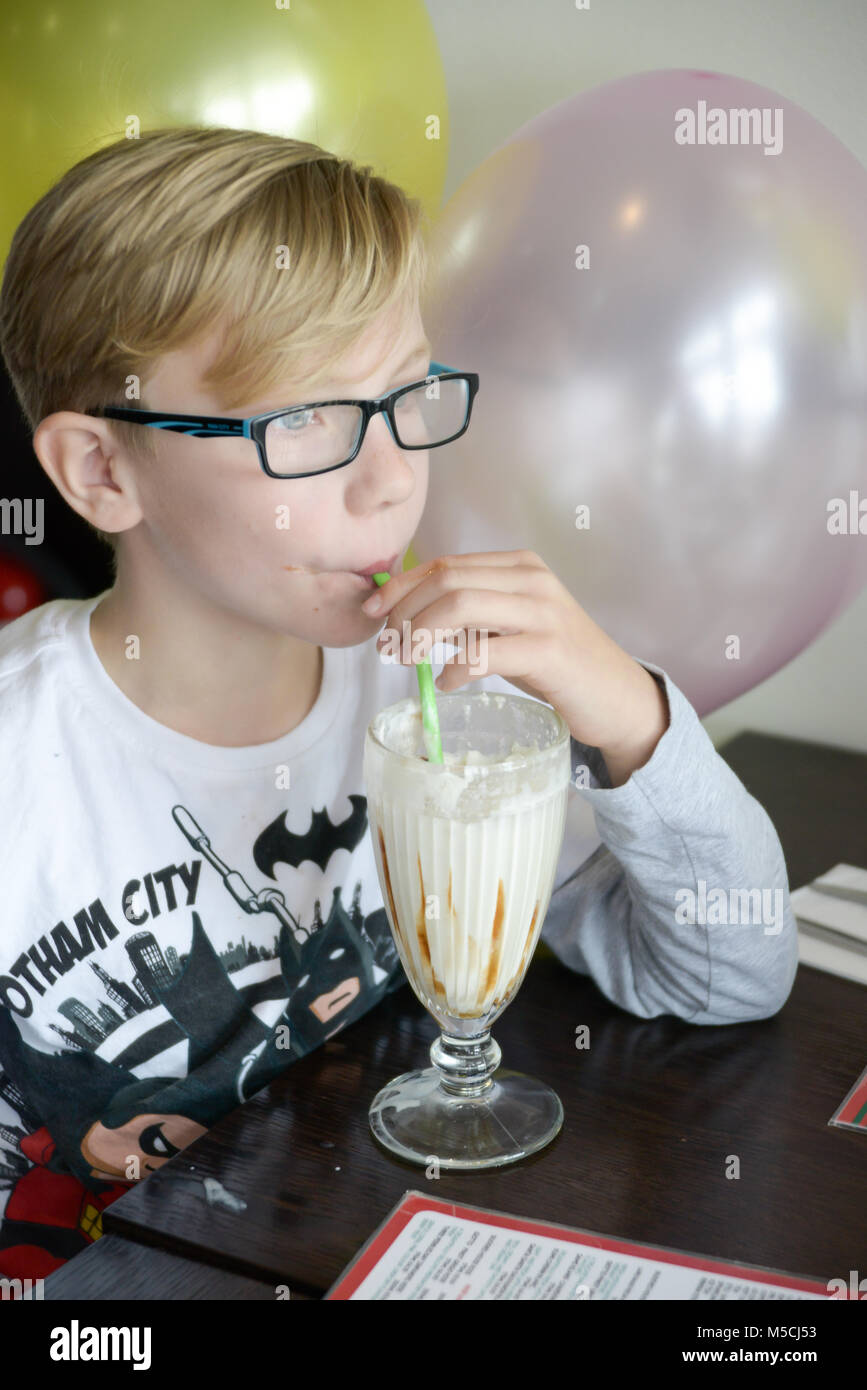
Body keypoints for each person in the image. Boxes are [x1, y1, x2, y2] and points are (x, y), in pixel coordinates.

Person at [0, 126, 798, 1283]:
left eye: (406, 394)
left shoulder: (441, 702)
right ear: (102, 472)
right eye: (302, 424)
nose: (391, 482)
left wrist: (628, 714)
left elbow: (723, 980)